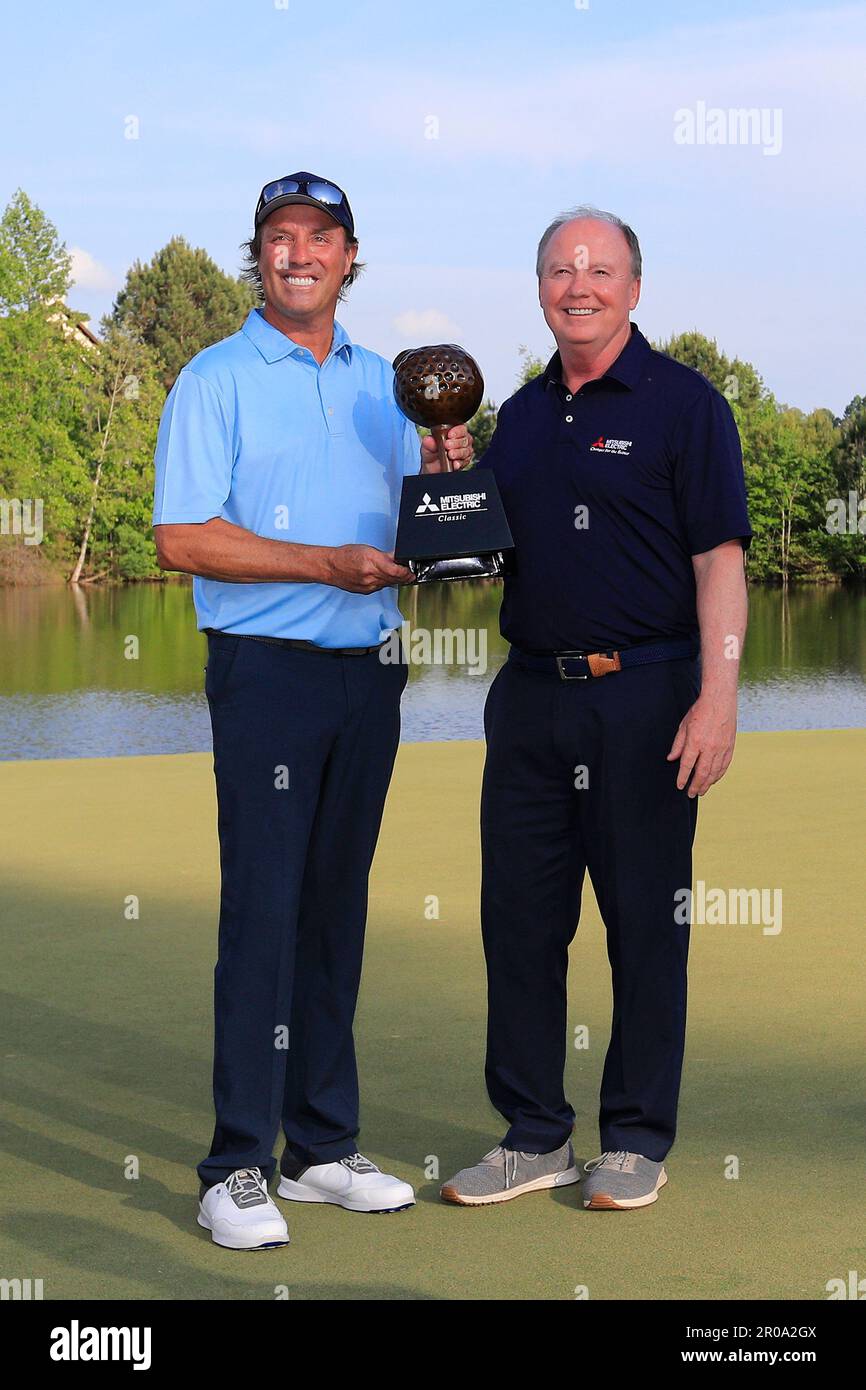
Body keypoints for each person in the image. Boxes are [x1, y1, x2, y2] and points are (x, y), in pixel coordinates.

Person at [152, 171, 471, 1249]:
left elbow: (414, 535)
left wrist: (445, 474)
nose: (298, 254)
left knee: (335, 907)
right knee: (264, 911)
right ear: (260, 258)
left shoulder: (388, 382)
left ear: (348, 257)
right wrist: (320, 565)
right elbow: (183, 537)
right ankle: (234, 1164)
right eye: (278, 238)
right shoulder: (214, 378)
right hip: (266, 671)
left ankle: (321, 1147)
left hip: (366, 670)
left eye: (319, 238)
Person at [441, 205, 752, 1211]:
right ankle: (533, 1133)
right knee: (519, 925)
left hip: (650, 694)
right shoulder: (520, 415)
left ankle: (632, 1137)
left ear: (632, 285)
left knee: (642, 927)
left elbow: (719, 561)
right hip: (529, 698)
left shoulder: (683, 404)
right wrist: (450, 495)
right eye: (559, 268)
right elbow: (485, 557)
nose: (579, 284)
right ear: (538, 286)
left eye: (599, 268)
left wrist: (718, 696)